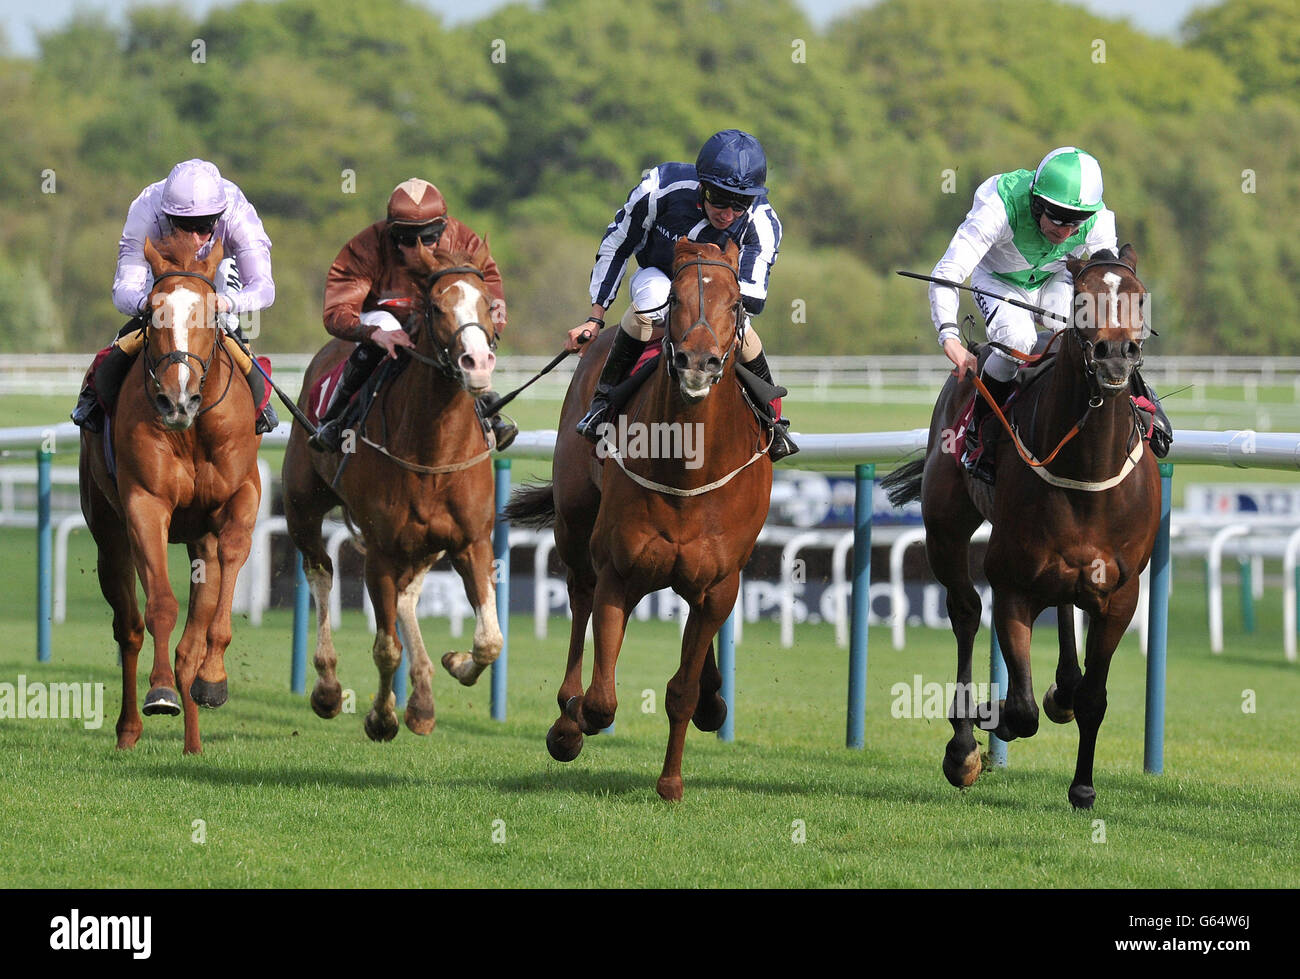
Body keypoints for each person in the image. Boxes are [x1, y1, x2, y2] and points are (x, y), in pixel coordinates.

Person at [930, 146, 1171, 482]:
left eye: (1076, 223)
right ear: (1036, 204)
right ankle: (978, 435)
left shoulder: (1098, 220)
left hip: (1055, 275)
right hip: (999, 280)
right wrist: (950, 338)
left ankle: (1147, 401)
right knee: (1019, 341)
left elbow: (1114, 284)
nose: (1066, 232)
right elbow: (947, 272)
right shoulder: (998, 206)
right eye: (1057, 219)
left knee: (1081, 331)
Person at [565, 129, 797, 461]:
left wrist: (704, 308)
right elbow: (617, 245)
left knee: (744, 332)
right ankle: (603, 403)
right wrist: (594, 317)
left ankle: (774, 422)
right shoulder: (660, 189)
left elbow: (753, 297)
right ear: (702, 186)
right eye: (719, 198)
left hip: (720, 298)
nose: (728, 214)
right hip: (661, 278)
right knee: (647, 306)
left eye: (740, 203)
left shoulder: (762, 222)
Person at [72, 158, 279, 434]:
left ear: (219, 218)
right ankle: (95, 398)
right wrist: (148, 303)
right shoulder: (146, 211)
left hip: (217, 268)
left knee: (229, 326)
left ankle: (260, 404)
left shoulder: (238, 214)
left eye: (205, 226)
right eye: (183, 225)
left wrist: (226, 302)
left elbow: (264, 287)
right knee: (149, 320)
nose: (195, 240)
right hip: (163, 275)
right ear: (167, 216)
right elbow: (124, 289)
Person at [309, 178, 514, 453]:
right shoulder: (365, 247)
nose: (420, 247)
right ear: (391, 232)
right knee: (388, 323)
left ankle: (490, 410)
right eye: (406, 239)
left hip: (438, 317)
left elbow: (489, 289)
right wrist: (374, 334)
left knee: (465, 334)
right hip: (382, 316)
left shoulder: (463, 239)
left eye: (430, 237)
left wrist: (489, 325)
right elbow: (337, 311)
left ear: (443, 227)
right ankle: (336, 416)